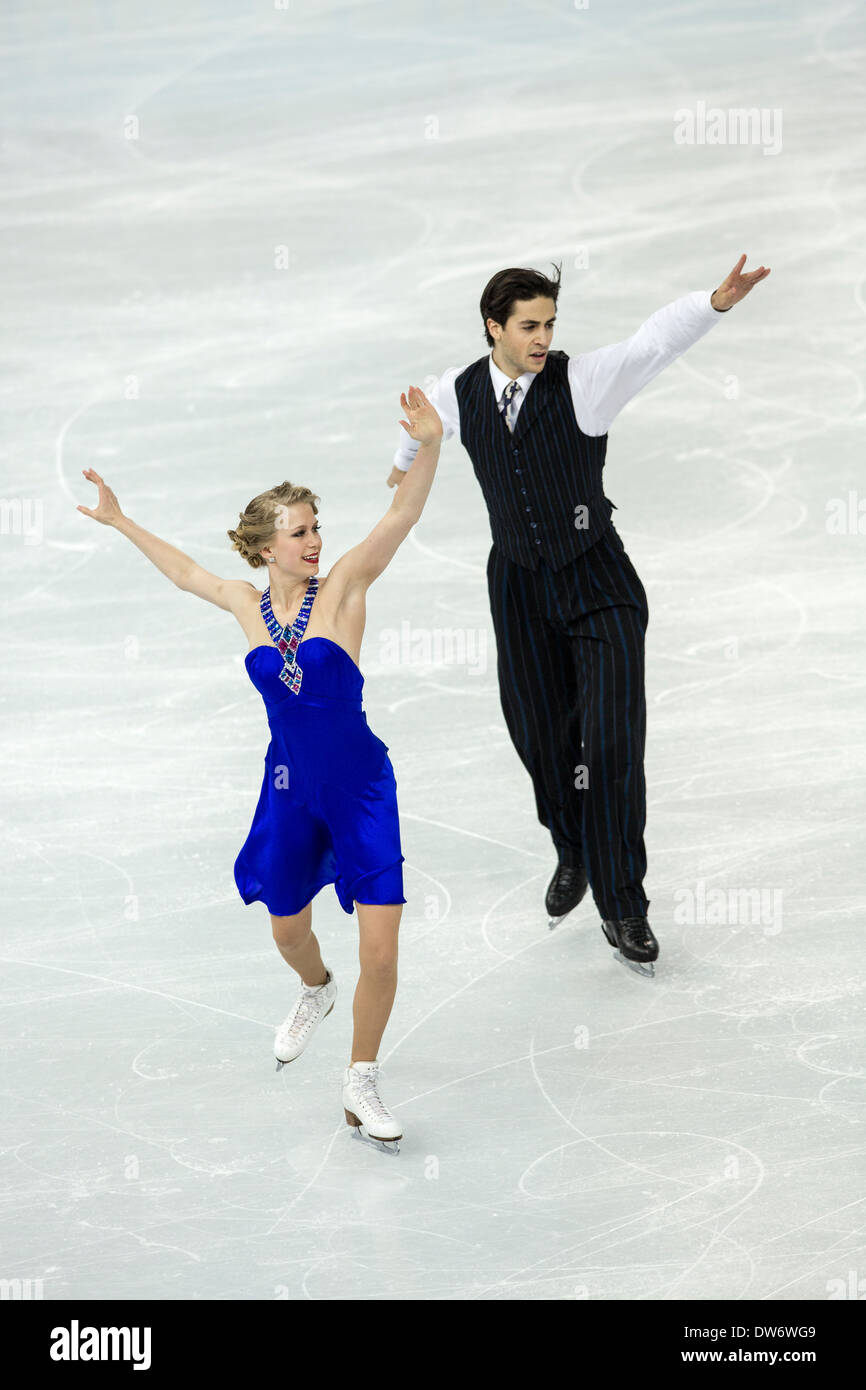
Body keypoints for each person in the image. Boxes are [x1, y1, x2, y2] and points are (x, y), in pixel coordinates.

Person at [77, 385, 443, 1151]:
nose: (313, 541)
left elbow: (400, 518)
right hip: (289, 790)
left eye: (316, 528)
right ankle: (316, 988)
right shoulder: (248, 605)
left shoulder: (341, 588)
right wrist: (119, 521)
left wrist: (431, 443)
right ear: (265, 546)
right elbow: (185, 575)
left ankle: (361, 1079)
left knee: (382, 949)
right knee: (287, 932)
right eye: (299, 532)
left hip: (361, 788)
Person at [388, 255, 770, 978]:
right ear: (493, 328)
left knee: (612, 742)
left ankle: (624, 901)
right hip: (520, 587)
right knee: (539, 732)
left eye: (550, 324)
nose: (542, 337)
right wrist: (402, 459)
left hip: (597, 581)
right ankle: (572, 846)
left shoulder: (584, 382)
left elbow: (652, 344)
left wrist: (714, 302)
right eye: (528, 326)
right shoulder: (459, 390)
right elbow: (420, 425)